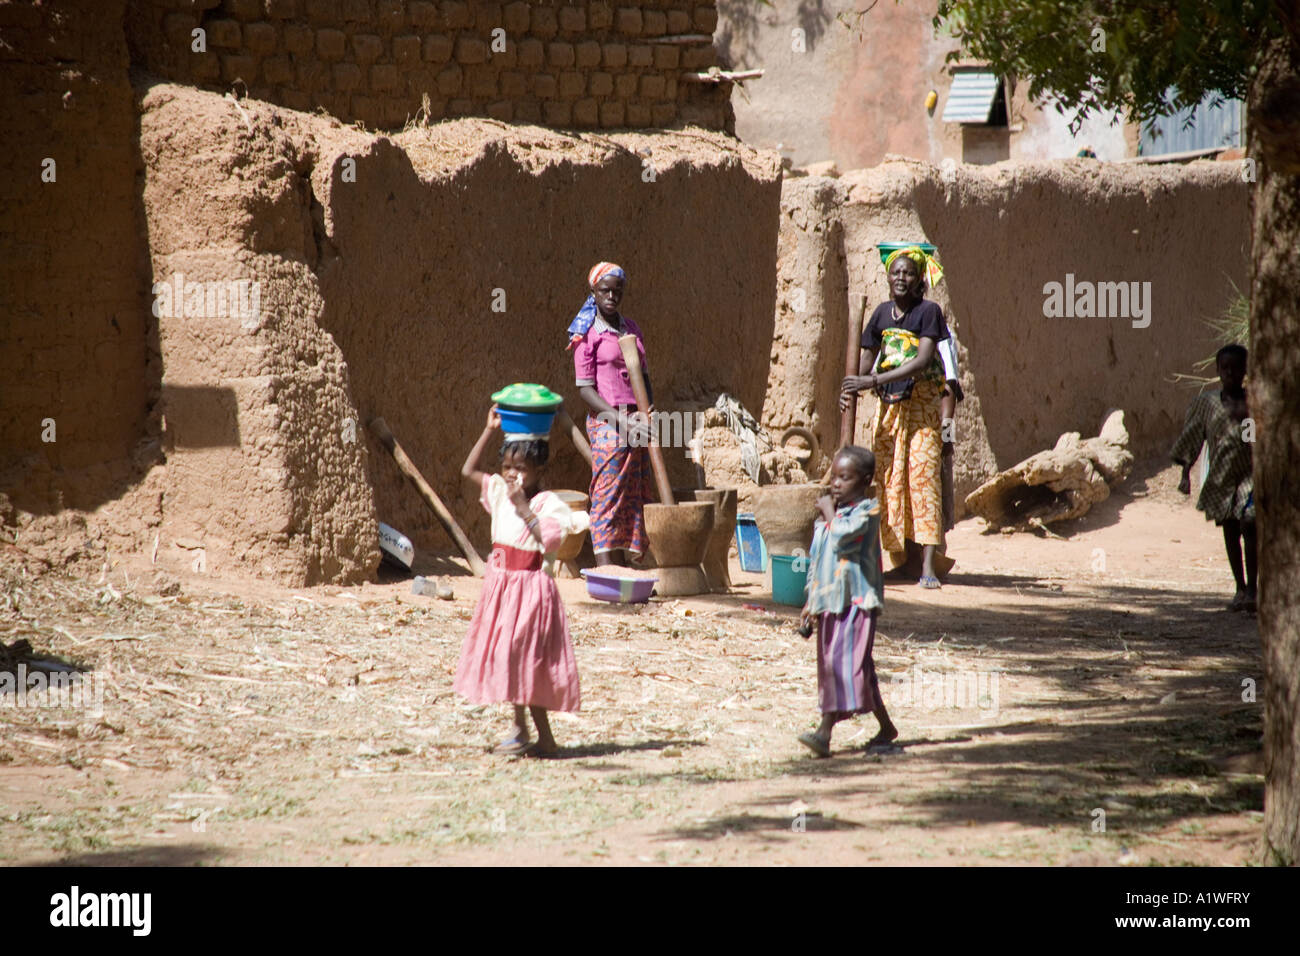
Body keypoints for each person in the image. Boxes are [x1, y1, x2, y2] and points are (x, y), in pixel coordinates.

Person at [454, 406, 588, 756]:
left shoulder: (546, 503)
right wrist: (488, 430)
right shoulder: (499, 490)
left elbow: (551, 541)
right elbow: (467, 470)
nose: (513, 475)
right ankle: (522, 729)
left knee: (523, 658)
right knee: (508, 657)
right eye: (507, 467)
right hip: (501, 588)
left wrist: (523, 508)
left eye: (521, 468)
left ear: (539, 470)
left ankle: (539, 735)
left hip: (530, 591)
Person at [841, 246, 951, 588]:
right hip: (889, 409)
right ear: (887, 277)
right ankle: (903, 562)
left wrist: (870, 380)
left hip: (921, 411)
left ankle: (928, 568)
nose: (901, 278)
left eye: (907, 273)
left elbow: (920, 363)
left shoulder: (928, 312)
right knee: (889, 483)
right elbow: (866, 360)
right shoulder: (880, 315)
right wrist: (850, 385)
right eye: (895, 272)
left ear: (919, 278)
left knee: (923, 482)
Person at [796, 446, 897, 758]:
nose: (835, 484)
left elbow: (843, 537)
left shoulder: (867, 513)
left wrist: (829, 513)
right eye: (834, 478)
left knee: (841, 664)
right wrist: (810, 601)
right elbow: (817, 559)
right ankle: (886, 727)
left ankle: (824, 732)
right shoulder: (828, 519)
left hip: (856, 603)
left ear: (865, 480)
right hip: (829, 602)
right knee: (855, 667)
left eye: (844, 478)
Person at [570, 261, 654, 566]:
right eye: (605, 290)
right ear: (593, 291)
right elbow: (585, 390)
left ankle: (627, 561)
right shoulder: (585, 333)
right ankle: (604, 564)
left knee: (634, 489)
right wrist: (620, 420)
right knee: (608, 490)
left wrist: (648, 412)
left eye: (618, 291)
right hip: (607, 419)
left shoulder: (631, 329)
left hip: (637, 418)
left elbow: (643, 377)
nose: (611, 296)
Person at [1171, 344, 1256, 612]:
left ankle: (1253, 589)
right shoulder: (1207, 404)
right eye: (1224, 368)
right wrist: (1185, 472)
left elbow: (1254, 439)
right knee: (1231, 531)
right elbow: (1193, 435)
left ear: (1245, 370)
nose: (1230, 373)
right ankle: (1239, 588)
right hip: (1221, 476)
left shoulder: (1253, 402)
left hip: (1249, 474)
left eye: (1236, 368)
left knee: (1250, 525)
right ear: (1218, 371)